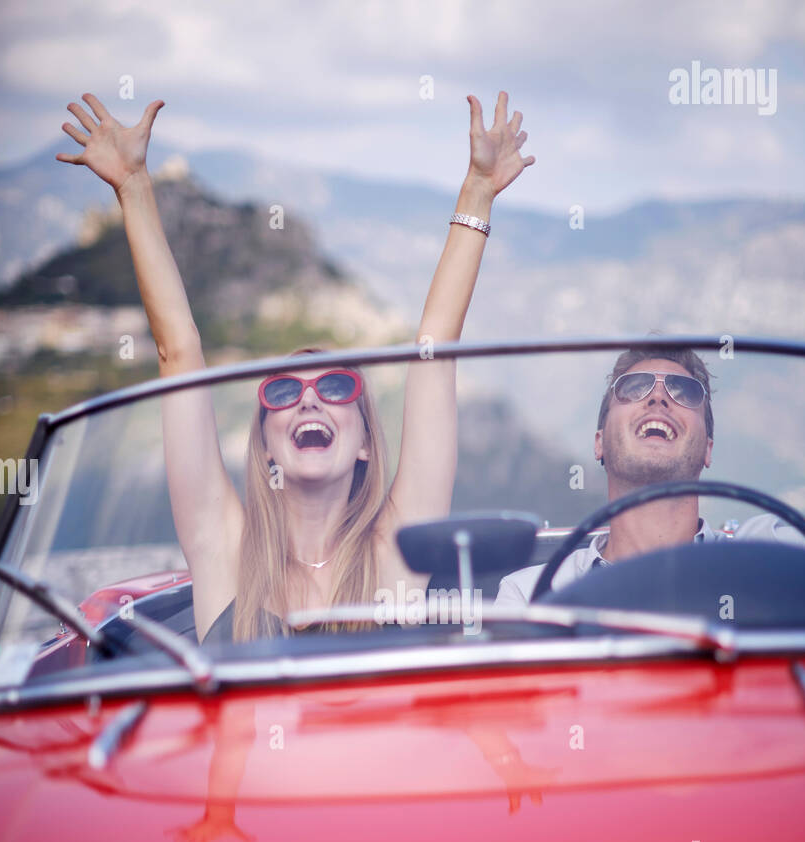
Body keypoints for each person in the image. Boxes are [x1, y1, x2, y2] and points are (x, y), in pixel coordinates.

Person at [57, 90, 535, 642]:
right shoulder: (226, 549)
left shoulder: (396, 548)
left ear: (364, 441)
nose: (308, 399)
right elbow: (179, 353)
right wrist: (134, 187)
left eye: (335, 386)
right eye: (282, 393)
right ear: (264, 444)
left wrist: (478, 190)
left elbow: (434, 347)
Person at [494, 346, 805, 605]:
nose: (658, 398)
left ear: (708, 450)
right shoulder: (533, 594)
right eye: (634, 387)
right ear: (599, 443)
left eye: (685, 391)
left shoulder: (771, 556)